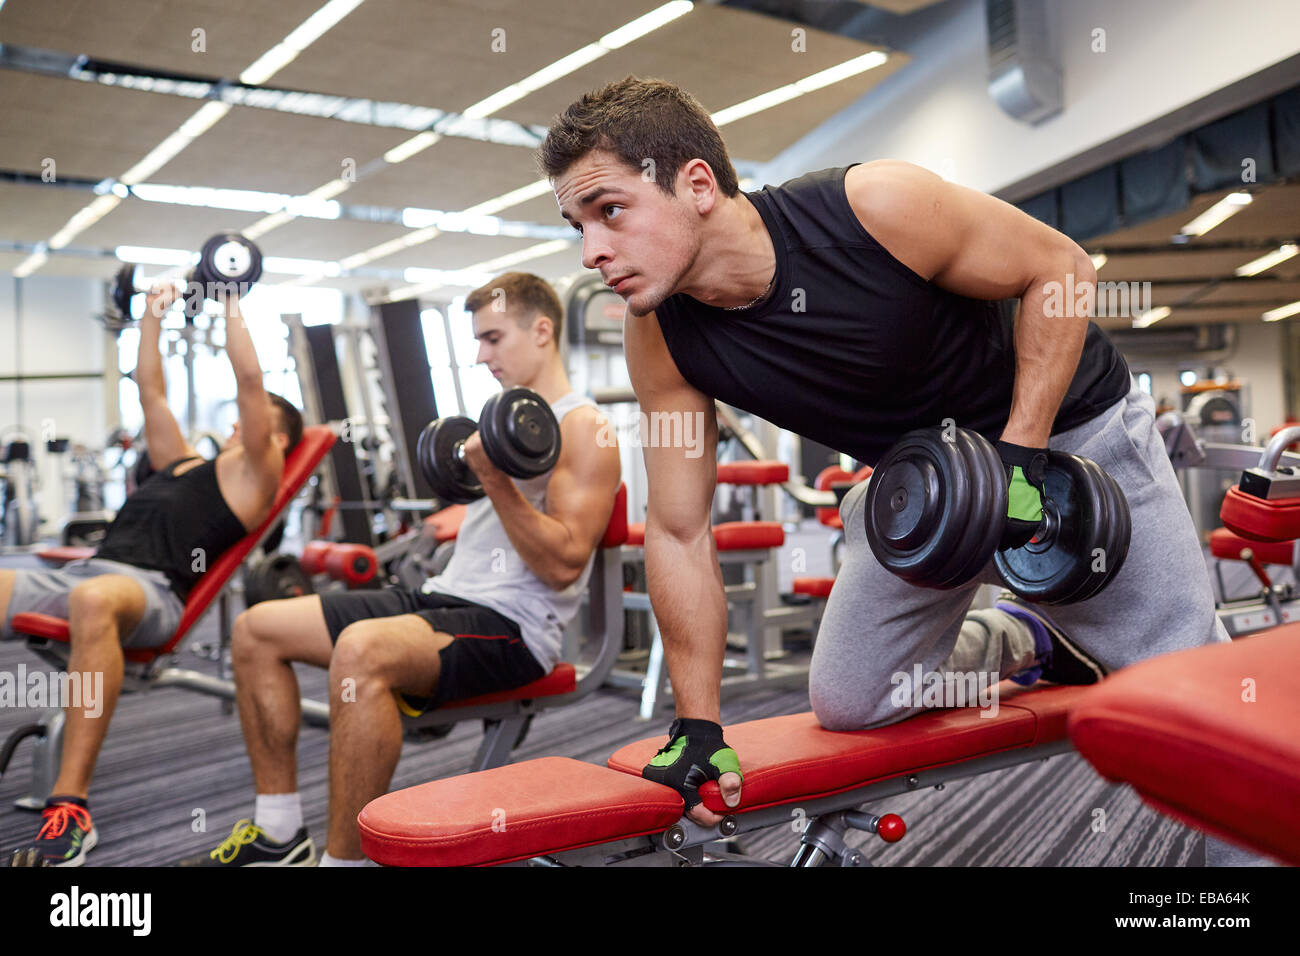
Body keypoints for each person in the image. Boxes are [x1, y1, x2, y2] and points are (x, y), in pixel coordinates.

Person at [541, 76, 1255, 866]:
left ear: (697, 184)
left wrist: (1020, 461)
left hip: (1067, 439)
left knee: (1201, 708)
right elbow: (679, 529)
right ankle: (1031, 639)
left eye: (610, 212)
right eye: (577, 225)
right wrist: (699, 725)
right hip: (929, 488)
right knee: (852, 701)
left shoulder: (875, 208)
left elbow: (1062, 267)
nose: (592, 252)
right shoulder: (662, 340)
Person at [180, 271, 621, 867]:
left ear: (542, 330)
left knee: (362, 651)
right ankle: (280, 832)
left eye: (492, 338)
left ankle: (345, 864)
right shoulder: (504, 420)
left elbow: (566, 564)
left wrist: (493, 479)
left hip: (515, 627)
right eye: (476, 340)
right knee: (256, 629)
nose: (479, 354)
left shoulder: (583, 427)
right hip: (442, 597)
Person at [3, 283, 303, 867]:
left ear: (278, 439)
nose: (240, 421)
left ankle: (70, 811)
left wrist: (231, 297)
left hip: (150, 593)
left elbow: (248, 384)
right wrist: (151, 316)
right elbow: (149, 389)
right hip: (90, 575)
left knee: (93, 600)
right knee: (75, 591)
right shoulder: (186, 461)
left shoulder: (256, 480)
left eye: (255, 419)